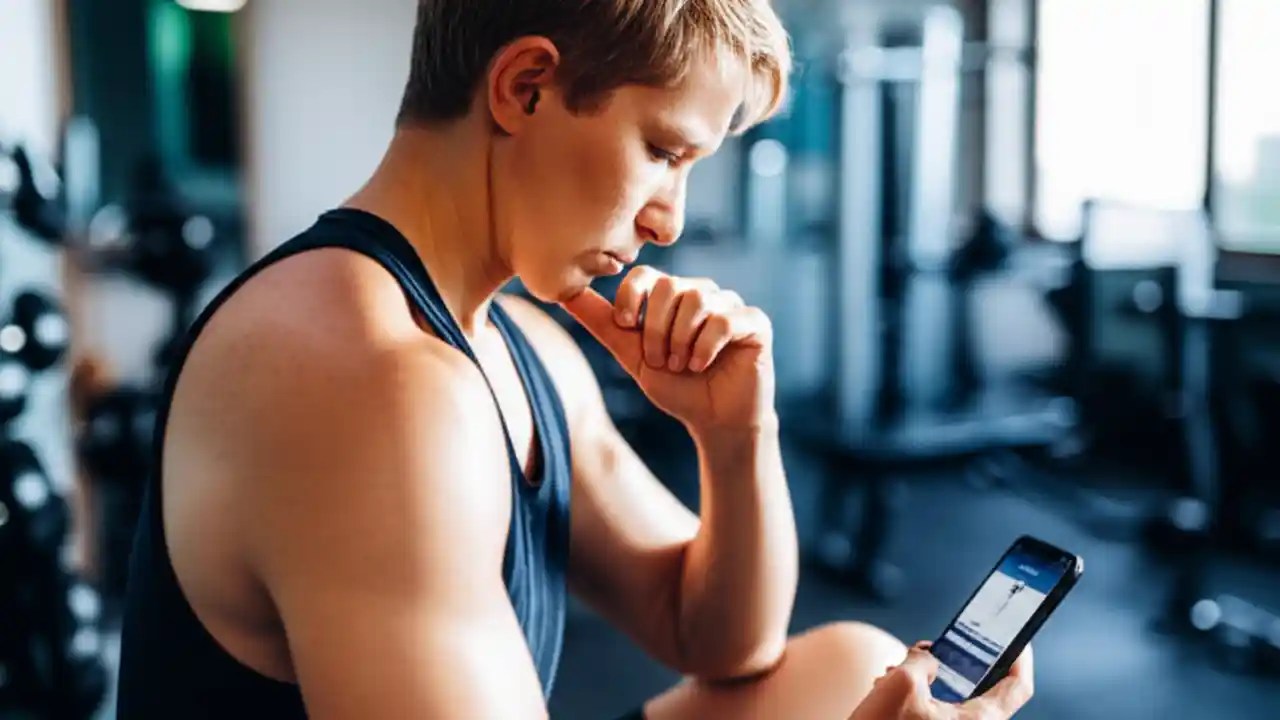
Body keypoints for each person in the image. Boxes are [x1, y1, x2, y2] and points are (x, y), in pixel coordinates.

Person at [115, 1, 1035, 718]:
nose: (668, 218)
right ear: (524, 87)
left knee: (845, 669)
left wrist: (737, 434)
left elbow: (720, 641)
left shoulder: (523, 346)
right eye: (662, 151)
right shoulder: (367, 379)